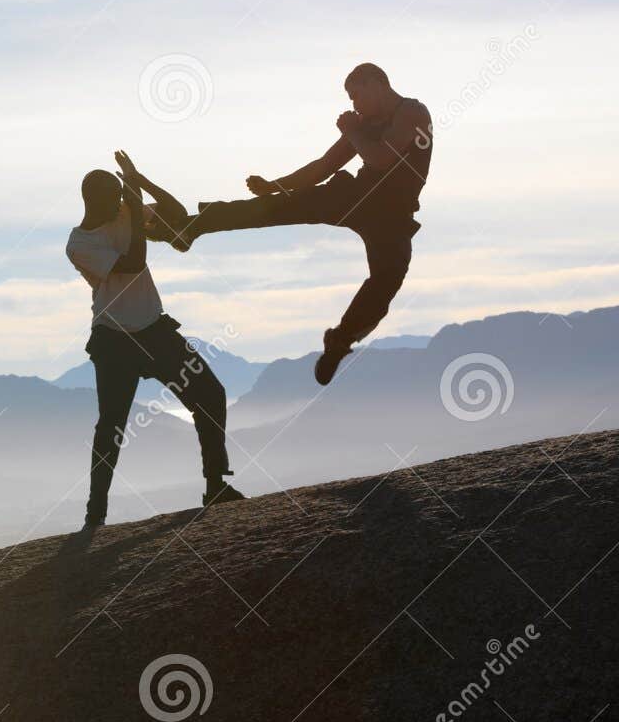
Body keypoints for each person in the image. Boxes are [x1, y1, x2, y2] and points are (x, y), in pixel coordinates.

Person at [170, 63, 432, 386]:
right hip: (356, 198)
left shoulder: (413, 112)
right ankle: (196, 225)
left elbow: (380, 158)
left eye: (356, 95)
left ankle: (340, 341)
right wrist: (274, 186)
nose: (353, 105)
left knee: (386, 283)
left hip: (392, 217)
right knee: (278, 208)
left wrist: (352, 131)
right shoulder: (364, 124)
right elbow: (323, 167)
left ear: (376, 83)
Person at [66, 150, 246, 528]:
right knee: (111, 426)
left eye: (120, 195)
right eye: (112, 196)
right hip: (113, 339)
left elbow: (175, 214)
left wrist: (139, 181)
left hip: (154, 329)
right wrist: (131, 199)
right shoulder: (80, 243)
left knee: (210, 395)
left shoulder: (124, 211)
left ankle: (215, 484)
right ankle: (95, 514)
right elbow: (133, 264)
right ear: (92, 200)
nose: (119, 202)